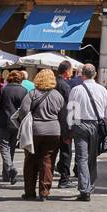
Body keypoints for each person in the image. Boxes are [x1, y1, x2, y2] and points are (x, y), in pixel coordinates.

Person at [16, 68, 68, 200]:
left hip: (34, 131)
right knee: (48, 161)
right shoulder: (58, 95)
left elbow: (23, 111)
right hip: (53, 131)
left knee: (30, 161)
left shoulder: (32, 94)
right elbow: (63, 116)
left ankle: (29, 192)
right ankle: (44, 192)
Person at [66, 63, 107, 202]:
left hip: (80, 124)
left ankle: (85, 189)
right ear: (95, 74)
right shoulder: (102, 89)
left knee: (82, 158)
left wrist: (69, 128)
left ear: (82, 74)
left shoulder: (76, 89)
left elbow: (71, 110)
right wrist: (106, 125)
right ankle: (89, 185)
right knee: (92, 157)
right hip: (96, 125)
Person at [0, 70, 29, 184]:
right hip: (16, 123)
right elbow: (25, 108)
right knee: (11, 147)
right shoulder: (24, 91)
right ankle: (7, 175)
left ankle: (10, 168)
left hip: (3, 122)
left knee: (4, 147)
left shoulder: (4, 89)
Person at [54, 60, 77, 187]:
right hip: (63, 123)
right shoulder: (65, 86)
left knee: (50, 152)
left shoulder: (52, 83)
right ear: (67, 71)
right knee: (66, 152)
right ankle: (64, 179)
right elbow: (70, 107)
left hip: (50, 122)